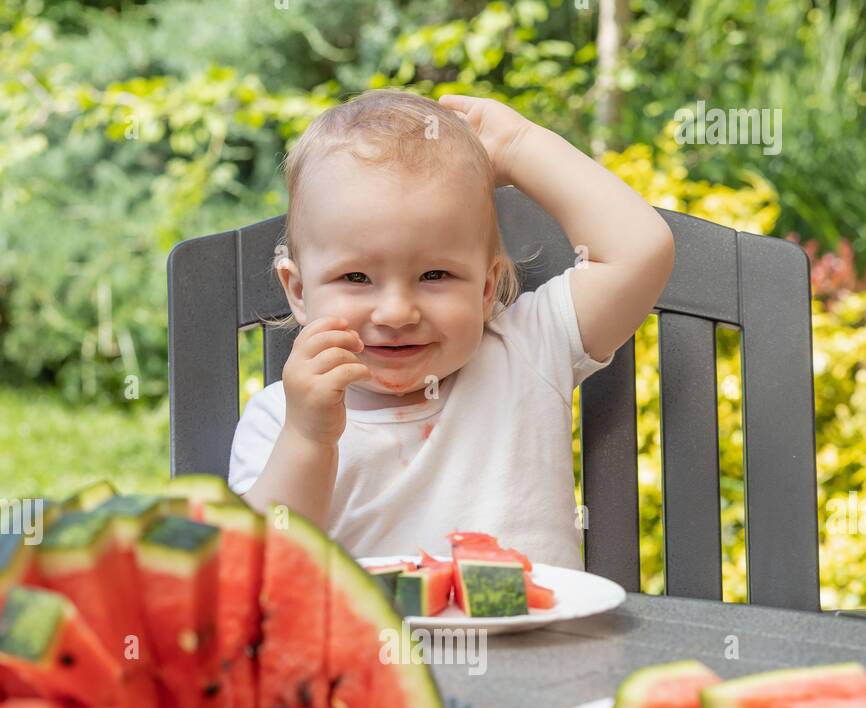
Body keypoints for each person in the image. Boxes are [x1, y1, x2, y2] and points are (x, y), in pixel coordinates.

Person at [229, 89, 674, 568]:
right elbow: (260, 569)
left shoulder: (528, 348)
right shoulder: (279, 420)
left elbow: (640, 250)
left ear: (487, 289)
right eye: (356, 278)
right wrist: (308, 437)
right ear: (298, 291)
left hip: (543, 643)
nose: (397, 312)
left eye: (435, 276)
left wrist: (519, 144)